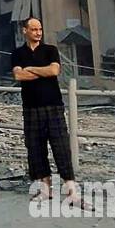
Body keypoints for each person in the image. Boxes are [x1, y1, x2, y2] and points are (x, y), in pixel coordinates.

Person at [11, 17, 78, 205]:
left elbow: (54, 71)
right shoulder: (18, 53)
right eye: (33, 29)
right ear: (25, 31)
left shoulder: (50, 50)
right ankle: (45, 189)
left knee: (61, 147)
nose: (38, 32)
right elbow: (18, 75)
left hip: (53, 105)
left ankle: (71, 190)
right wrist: (41, 71)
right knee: (35, 149)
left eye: (40, 29)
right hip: (31, 107)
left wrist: (31, 69)